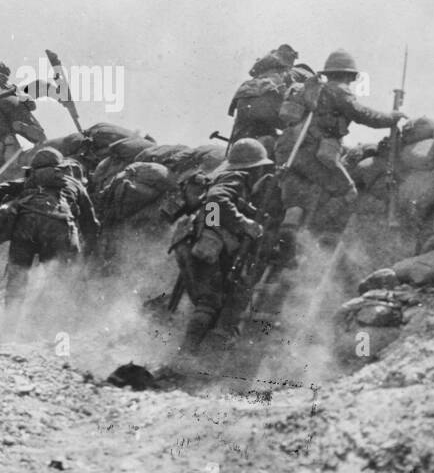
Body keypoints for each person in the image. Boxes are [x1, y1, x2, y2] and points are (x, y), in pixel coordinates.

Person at [273, 49, 406, 250]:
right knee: (348, 192)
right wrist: (392, 117)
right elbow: (363, 115)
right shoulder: (339, 90)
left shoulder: (307, 90)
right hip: (312, 152)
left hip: (286, 151)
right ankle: (323, 241)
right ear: (348, 75)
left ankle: (285, 250)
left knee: (296, 202)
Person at [169, 137, 279, 352]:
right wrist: (242, 223)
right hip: (204, 245)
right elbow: (215, 201)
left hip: (192, 242)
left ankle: (193, 355)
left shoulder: (220, 176)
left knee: (210, 301)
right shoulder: (236, 177)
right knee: (209, 302)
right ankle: (184, 357)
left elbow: (212, 211)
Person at [0, 147, 99, 321]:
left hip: (24, 226)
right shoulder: (75, 184)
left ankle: (9, 327)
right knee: (57, 278)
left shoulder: (27, 182)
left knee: (17, 278)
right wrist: (88, 250)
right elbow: (90, 222)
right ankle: (49, 326)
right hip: (57, 228)